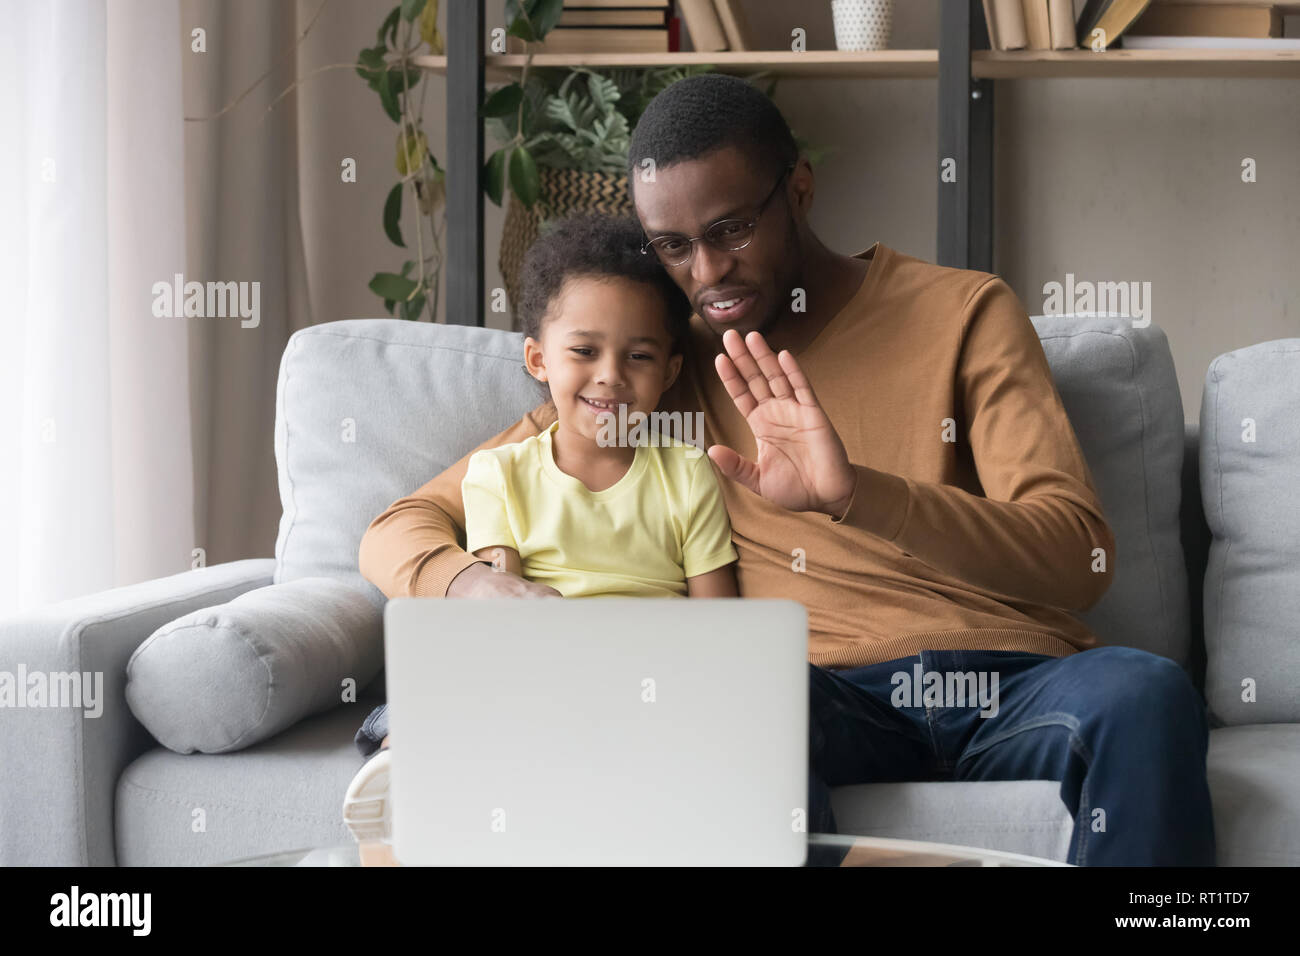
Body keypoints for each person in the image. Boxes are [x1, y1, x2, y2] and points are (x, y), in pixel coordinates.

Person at [355, 74, 1215, 865]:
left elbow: (1079, 557)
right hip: (810, 689)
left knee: (1146, 691)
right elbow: (401, 527)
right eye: (673, 247)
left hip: (1013, 675)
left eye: (730, 231)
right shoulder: (656, 364)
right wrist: (475, 588)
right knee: (713, 707)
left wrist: (859, 497)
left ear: (798, 190)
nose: (707, 273)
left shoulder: (963, 313)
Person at [342, 213, 739, 843]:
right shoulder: (499, 471)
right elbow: (503, 605)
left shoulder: (687, 473)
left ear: (668, 370)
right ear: (537, 358)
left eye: (637, 356)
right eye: (584, 351)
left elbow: (720, 633)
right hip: (539, 668)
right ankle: (412, 760)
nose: (611, 374)